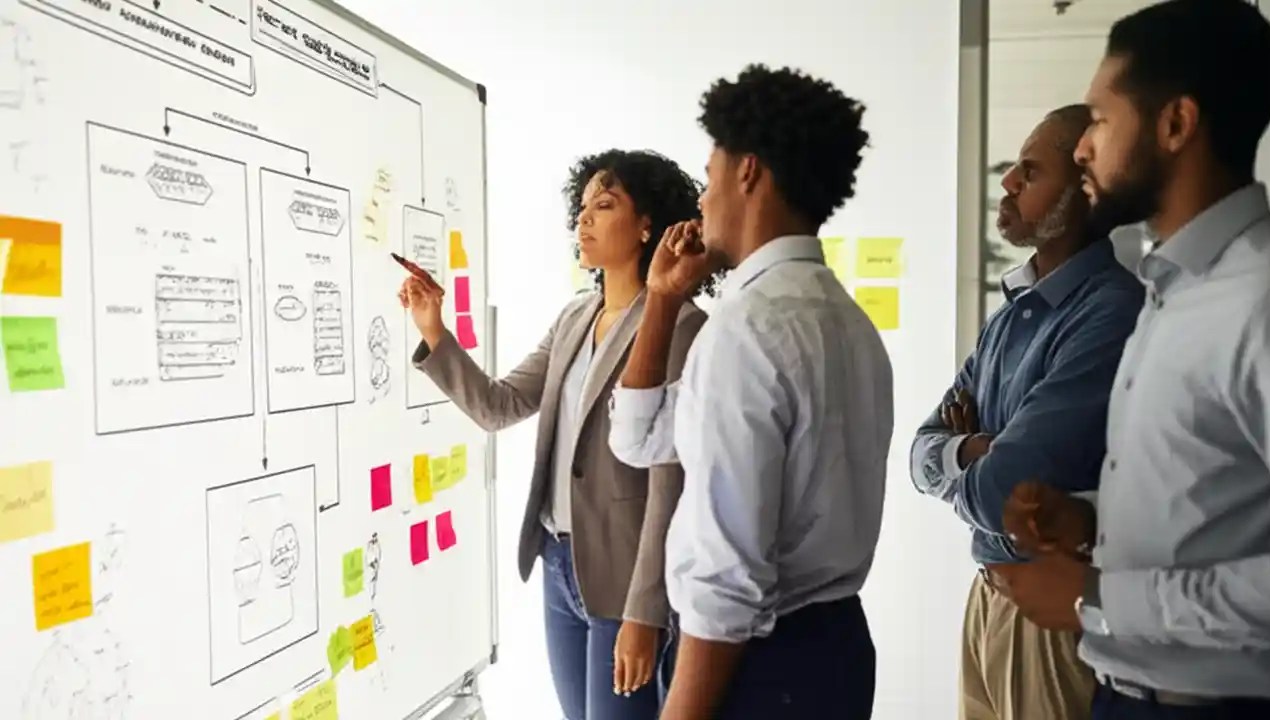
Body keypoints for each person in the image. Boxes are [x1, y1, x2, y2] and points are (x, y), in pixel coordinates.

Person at [998, 2, 1270, 719]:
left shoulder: (1263, 298)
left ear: (1176, 125)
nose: (1083, 148)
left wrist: (1100, 599)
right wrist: (1088, 523)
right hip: (1122, 696)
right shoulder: (1168, 288)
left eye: (1098, 118)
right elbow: (1214, 499)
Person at [607, 64, 891, 719]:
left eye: (708, 177)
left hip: (760, 664)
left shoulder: (750, 331)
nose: (701, 200)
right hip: (834, 649)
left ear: (748, 172)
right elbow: (640, 437)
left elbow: (726, 577)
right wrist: (661, 298)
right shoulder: (848, 320)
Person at [399, 149, 714, 720]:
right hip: (558, 563)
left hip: (626, 577)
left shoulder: (681, 324)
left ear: (647, 226)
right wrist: (433, 332)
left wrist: (646, 610)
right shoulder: (575, 316)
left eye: (605, 205)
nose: (584, 219)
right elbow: (499, 406)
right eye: (582, 207)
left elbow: (672, 480)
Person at [909, 105, 1143, 720]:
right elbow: (918, 451)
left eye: (1031, 172)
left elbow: (1005, 494)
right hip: (986, 596)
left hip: (1049, 619)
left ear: (1083, 192)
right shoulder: (1013, 313)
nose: (1009, 181)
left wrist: (983, 462)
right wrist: (968, 450)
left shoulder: (1110, 312)